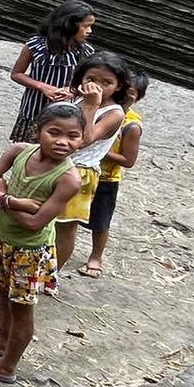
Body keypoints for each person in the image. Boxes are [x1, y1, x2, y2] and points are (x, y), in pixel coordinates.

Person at [0, 102, 84, 383]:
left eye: (73, 136)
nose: (63, 142)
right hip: (5, 238)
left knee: (22, 306)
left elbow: (35, 222)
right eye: (54, 132)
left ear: (82, 138)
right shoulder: (19, 152)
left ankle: (6, 366)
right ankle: (1, 341)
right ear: (37, 131)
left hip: (31, 251)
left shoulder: (68, 179)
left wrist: (2, 197)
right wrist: (11, 200)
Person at [52, 52, 131, 275]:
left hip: (80, 172)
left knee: (65, 227)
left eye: (107, 83)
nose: (97, 87)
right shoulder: (77, 98)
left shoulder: (114, 113)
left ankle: (52, 274)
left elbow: (84, 140)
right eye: (91, 80)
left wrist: (91, 105)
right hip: (58, 164)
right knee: (46, 220)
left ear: (118, 86)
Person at [82, 71, 148, 279]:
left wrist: (103, 148)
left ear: (138, 97)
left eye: (132, 94)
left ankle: (96, 256)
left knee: (100, 221)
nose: (127, 96)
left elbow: (128, 161)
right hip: (84, 169)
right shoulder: (99, 108)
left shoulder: (131, 125)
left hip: (106, 178)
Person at [9, 0, 98, 142]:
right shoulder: (36, 46)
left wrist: (72, 90)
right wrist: (43, 87)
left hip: (68, 110)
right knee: (26, 148)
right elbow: (17, 74)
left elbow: (91, 81)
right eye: (86, 26)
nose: (89, 31)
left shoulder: (86, 52)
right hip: (34, 108)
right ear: (69, 24)